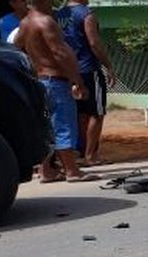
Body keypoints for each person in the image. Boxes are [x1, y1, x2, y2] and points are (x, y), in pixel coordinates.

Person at [15, 0, 97, 183]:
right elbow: (59, 52)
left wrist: (35, 62)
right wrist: (77, 80)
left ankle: (46, 170)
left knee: (48, 127)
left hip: (41, 81)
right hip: (55, 81)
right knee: (64, 125)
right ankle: (72, 171)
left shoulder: (26, 22)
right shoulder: (46, 22)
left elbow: (17, 45)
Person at [55, 0, 116, 166]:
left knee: (81, 113)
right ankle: (91, 155)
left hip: (68, 70)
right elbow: (94, 43)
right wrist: (108, 66)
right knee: (97, 113)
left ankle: (82, 153)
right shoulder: (86, 14)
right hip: (89, 69)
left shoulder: (58, 14)